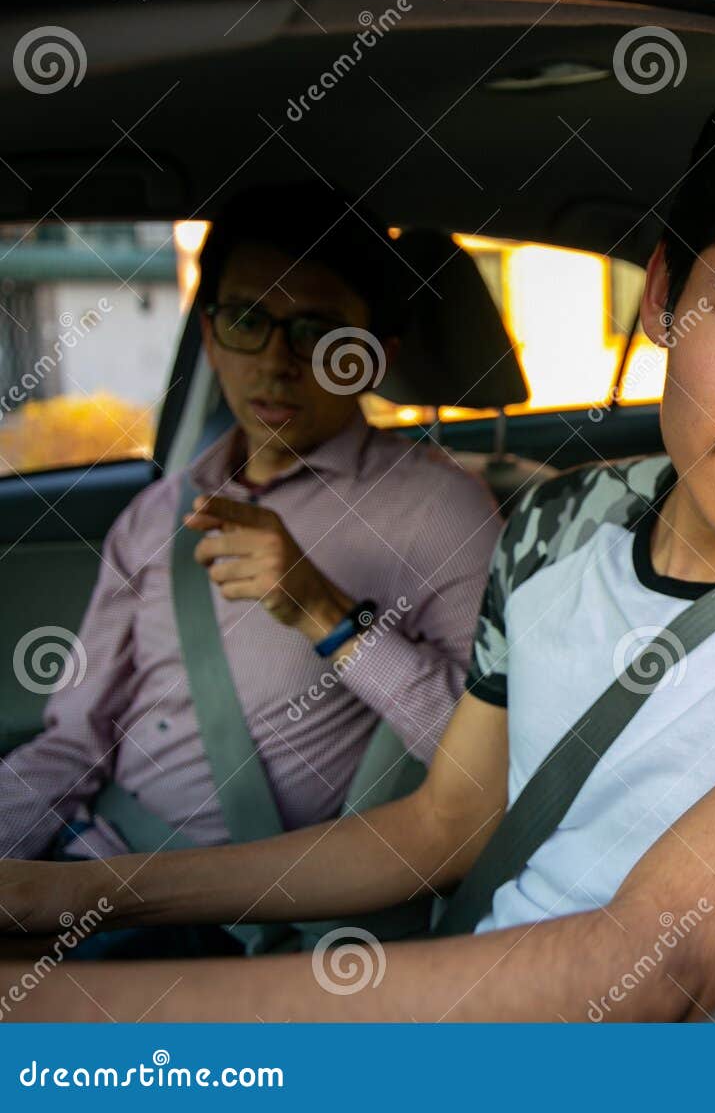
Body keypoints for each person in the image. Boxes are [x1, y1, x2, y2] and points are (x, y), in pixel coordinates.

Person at [0, 38, 715, 1018]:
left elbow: (660, 965)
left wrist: (78, 1021)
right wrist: (64, 897)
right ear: (665, 298)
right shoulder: (554, 523)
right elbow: (442, 825)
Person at [0, 184, 502, 953]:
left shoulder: (445, 513)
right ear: (210, 336)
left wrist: (329, 616)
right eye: (247, 320)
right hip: (87, 856)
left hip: (225, 920)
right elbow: (73, 740)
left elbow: (483, 770)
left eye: (317, 331)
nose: (276, 360)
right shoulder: (157, 512)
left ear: (377, 358)